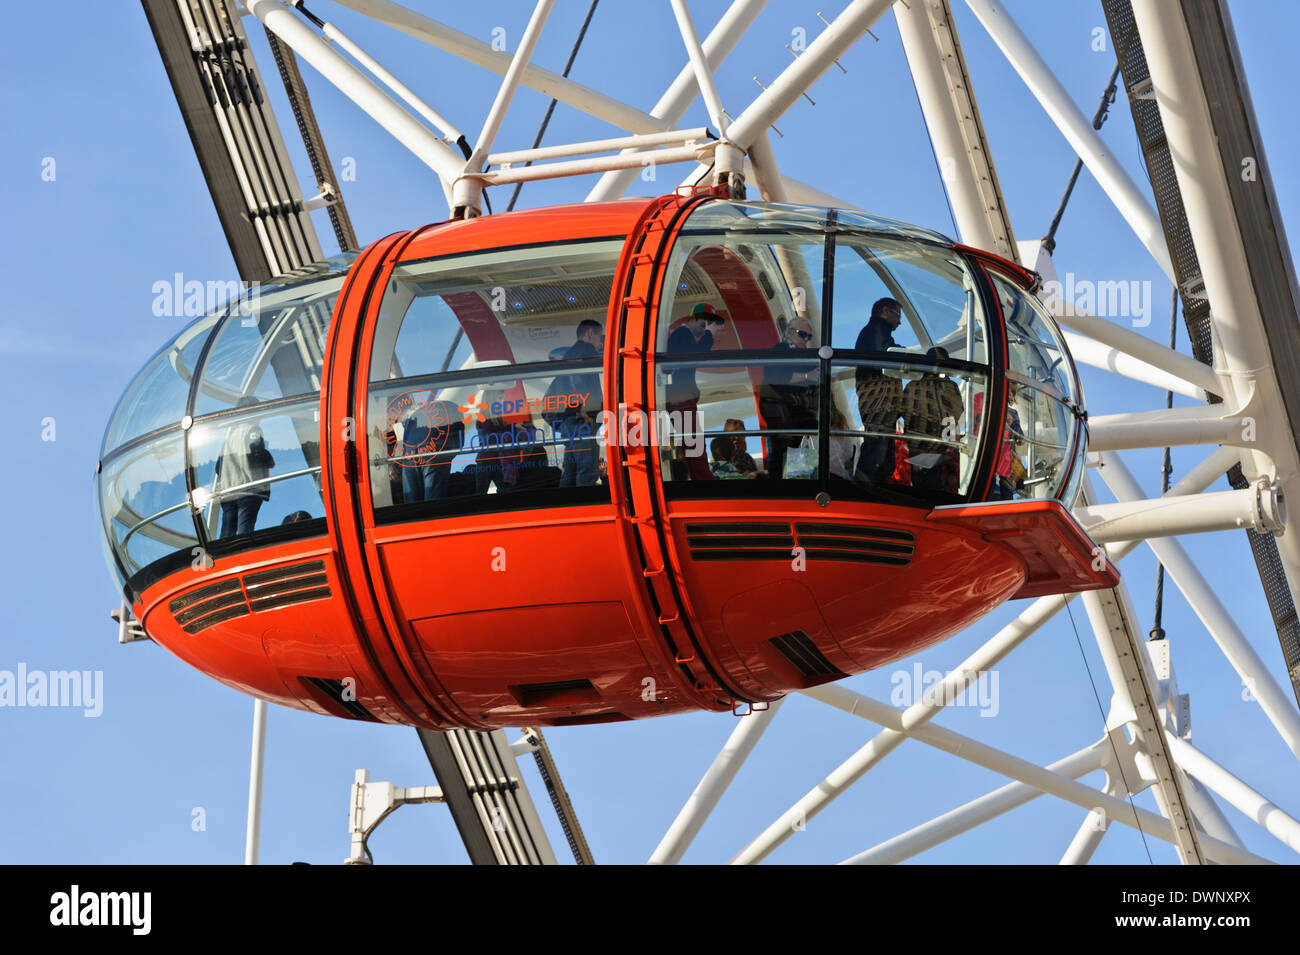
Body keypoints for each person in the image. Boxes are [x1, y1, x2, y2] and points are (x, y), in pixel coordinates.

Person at [665, 303, 725, 481]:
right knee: (695, 441)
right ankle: (704, 479)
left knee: (691, 441)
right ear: (693, 319)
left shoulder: (682, 335)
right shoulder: (683, 335)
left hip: (681, 395)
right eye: (704, 323)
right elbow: (697, 357)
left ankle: (699, 476)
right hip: (680, 396)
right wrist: (709, 336)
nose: (706, 328)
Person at [759, 316, 819, 479]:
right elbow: (778, 376)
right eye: (803, 335)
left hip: (797, 415)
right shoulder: (780, 349)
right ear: (790, 333)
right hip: (782, 414)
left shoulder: (805, 356)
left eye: (809, 337)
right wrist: (807, 375)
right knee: (782, 454)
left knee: (800, 452)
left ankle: (799, 483)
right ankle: (783, 487)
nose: (806, 340)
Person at [854, 297, 905, 485]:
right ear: (885, 311)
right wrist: (906, 356)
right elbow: (885, 353)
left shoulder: (872, 332)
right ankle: (866, 490)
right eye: (898, 315)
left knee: (881, 449)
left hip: (876, 398)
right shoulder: (877, 329)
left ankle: (871, 487)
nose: (899, 322)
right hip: (879, 398)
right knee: (877, 449)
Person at [902, 347, 964, 493]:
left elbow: (903, 409)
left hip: (917, 444)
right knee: (933, 486)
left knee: (919, 484)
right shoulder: (950, 386)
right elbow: (957, 411)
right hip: (938, 444)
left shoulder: (913, 385)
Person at [556, 320, 604, 487]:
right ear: (590, 333)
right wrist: (583, 411)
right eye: (600, 336)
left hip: (569, 421)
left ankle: (566, 508)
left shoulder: (570, 353)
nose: (600, 342)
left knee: (570, 471)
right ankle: (587, 506)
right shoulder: (587, 350)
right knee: (587, 472)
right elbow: (576, 379)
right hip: (583, 421)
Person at [214, 405, 275, 538]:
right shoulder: (253, 429)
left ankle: (225, 557)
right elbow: (257, 450)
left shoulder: (228, 438)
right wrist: (269, 459)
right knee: (245, 531)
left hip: (228, 492)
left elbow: (218, 467)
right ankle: (244, 555)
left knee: (226, 533)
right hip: (249, 488)